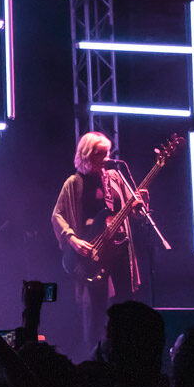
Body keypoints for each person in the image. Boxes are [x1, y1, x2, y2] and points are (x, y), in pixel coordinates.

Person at [51, 131, 147, 358]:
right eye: (100, 154)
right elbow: (57, 215)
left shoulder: (115, 177)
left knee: (125, 301)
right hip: (93, 253)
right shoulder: (74, 183)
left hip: (119, 248)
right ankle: (95, 354)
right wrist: (73, 240)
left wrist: (139, 208)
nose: (105, 158)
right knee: (96, 307)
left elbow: (131, 213)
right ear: (86, 154)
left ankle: (127, 351)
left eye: (107, 153)